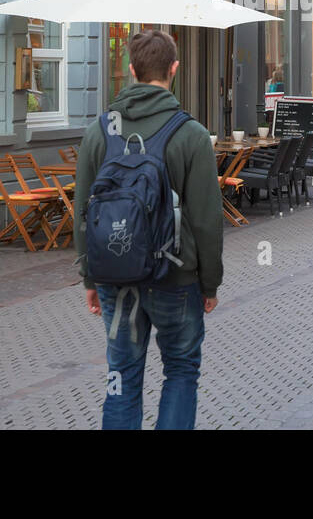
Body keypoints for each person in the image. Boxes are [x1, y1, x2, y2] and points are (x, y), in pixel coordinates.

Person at [74, 28, 223, 430]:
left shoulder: (99, 131)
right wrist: (210, 283)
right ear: (174, 69)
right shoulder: (190, 134)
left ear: (131, 69)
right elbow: (208, 219)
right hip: (176, 277)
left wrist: (89, 274)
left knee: (121, 374)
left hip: (114, 277)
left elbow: (82, 210)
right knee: (180, 371)